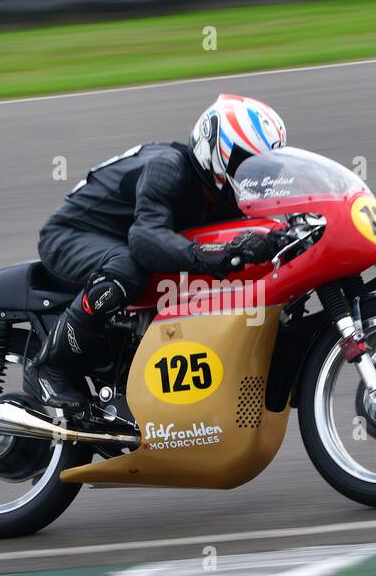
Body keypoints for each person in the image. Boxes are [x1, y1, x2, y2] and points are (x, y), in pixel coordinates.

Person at [25, 93, 286, 413]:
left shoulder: (224, 196)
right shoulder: (168, 167)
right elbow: (146, 239)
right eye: (245, 163)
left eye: (263, 168)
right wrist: (217, 254)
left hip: (116, 240)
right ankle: (49, 366)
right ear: (216, 150)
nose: (253, 175)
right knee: (127, 268)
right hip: (71, 235)